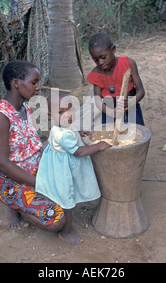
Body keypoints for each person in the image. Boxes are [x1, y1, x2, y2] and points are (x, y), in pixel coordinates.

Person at [0, 60, 66, 235]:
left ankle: (22, 202)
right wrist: (40, 183)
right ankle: (15, 206)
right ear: (16, 84)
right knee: (57, 220)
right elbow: (3, 163)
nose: (38, 87)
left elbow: (30, 145)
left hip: (35, 173)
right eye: (33, 82)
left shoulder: (24, 109)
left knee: (71, 184)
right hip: (11, 180)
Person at [36, 92, 111, 244]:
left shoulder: (64, 127)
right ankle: (66, 231)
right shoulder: (61, 135)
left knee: (65, 196)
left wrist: (79, 132)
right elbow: (78, 151)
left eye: (70, 110)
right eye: (61, 112)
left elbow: (72, 133)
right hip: (63, 171)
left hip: (62, 166)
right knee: (67, 201)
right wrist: (98, 146)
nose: (67, 115)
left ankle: (60, 217)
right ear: (50, 115)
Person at [86, 32, 146, 126]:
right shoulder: (96, 73)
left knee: (136, 136)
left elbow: (141, 91)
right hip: (109, 113)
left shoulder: (129, 63)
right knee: (110, 139)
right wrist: (110, 112)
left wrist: (130, 102)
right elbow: (97, 100)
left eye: (103, 57)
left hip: (131, 110)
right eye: (96, 60)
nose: (100, 62)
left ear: (113, 50)